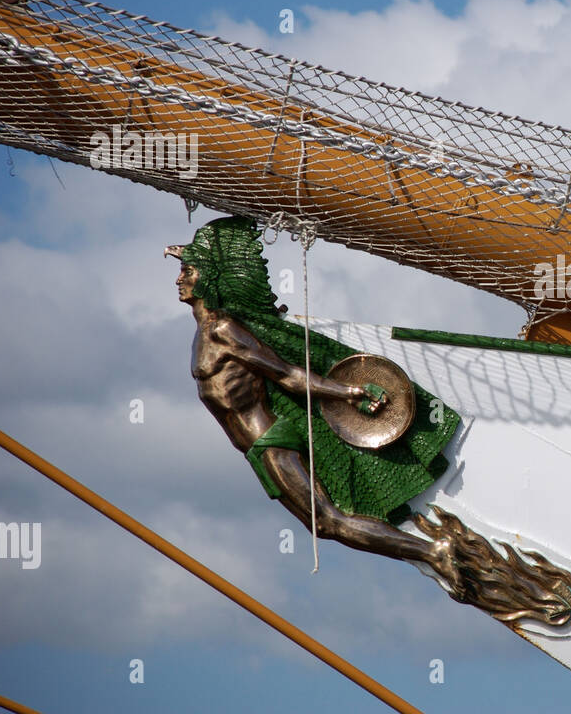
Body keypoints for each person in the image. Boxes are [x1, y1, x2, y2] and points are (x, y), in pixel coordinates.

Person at [165, 215, 463, 588]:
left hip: (271, 439)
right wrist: (187, 253)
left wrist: (348, 391)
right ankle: (431, 552)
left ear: (206, 277)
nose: (179, 279)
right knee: (320, 524)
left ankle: (434, 552)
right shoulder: (205, 333)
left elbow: (287, 374)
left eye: (187, 271)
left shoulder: (224, 331)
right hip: (257, 449)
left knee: (327, 521)